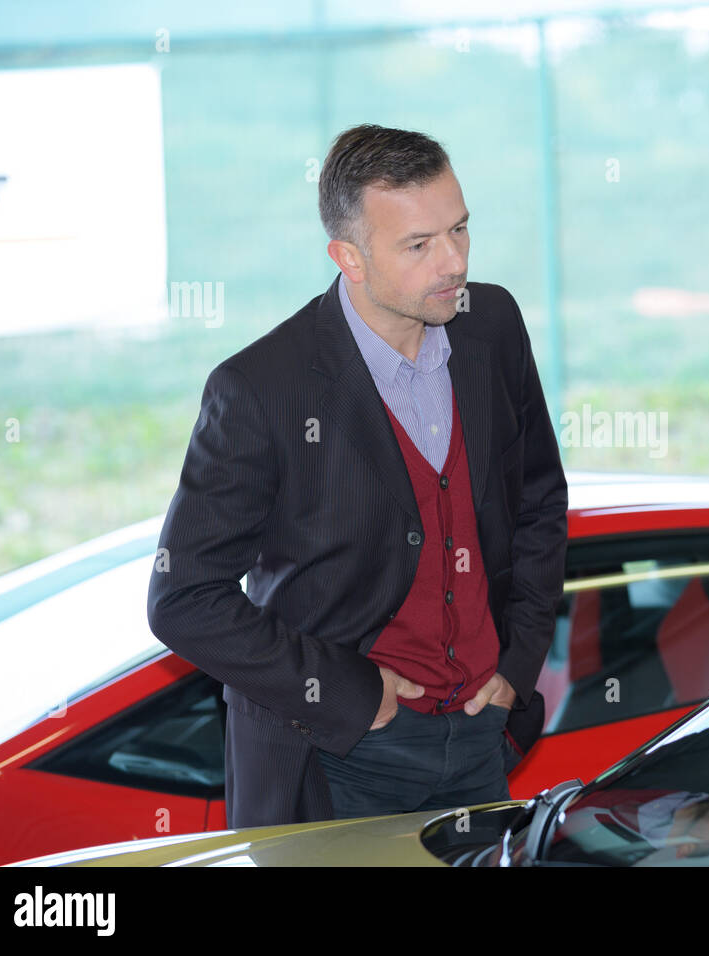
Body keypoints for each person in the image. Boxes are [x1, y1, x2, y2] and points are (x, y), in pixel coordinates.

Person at [147, 125, 568, 826]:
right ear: (350, 258)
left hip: (480, 738)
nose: (454, 262)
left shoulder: (491, 323)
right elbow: (184, 598)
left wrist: (517, 662)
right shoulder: (260, 389)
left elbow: (540, 502)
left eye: (459, 230)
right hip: (336, 754)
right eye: (419, 245)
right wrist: (342, 693)